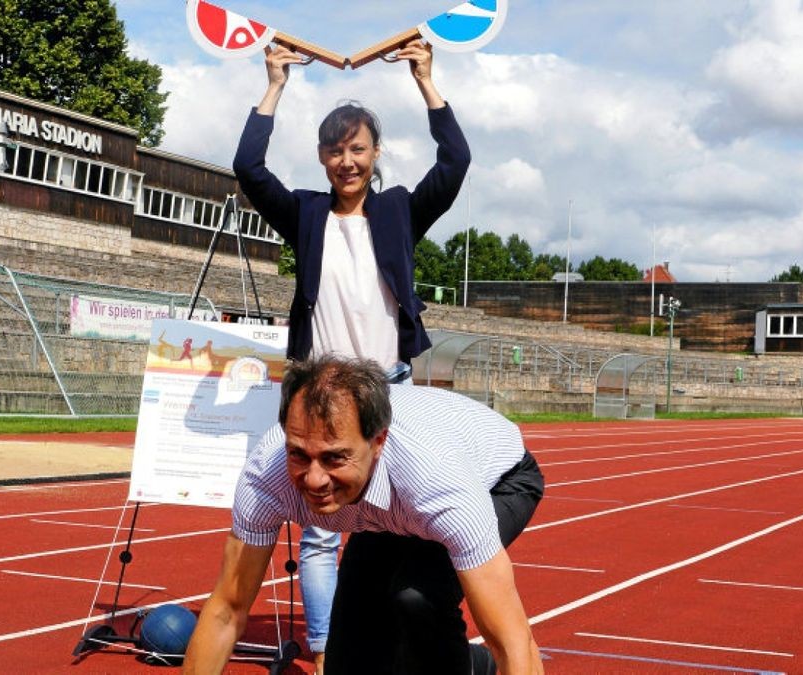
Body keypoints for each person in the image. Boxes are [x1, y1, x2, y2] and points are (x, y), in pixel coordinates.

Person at [231, 37, 470, 670]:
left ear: (374, 153)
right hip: (320, 391)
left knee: (402, 514)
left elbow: (455, 163)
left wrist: (426, 79)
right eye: (335, 150)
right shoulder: (306, 215)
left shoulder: (396, 213)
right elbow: (249, 169)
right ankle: (326, 651)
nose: (347, 160)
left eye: (358, 148)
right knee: (318, 530)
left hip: (391, 388)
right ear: (322, 157)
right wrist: (275, 84)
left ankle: (398, 640)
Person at [183, 356, 545, 674]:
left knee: (417, 595)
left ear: (378, 443)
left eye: (334, 458)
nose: (314, 479)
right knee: (351, 658)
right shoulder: (267, 475)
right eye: (299, 454)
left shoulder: (438, 482)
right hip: (383, 505)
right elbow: (227, 610)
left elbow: (511, 642)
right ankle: (468, 663)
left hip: (498, 479)